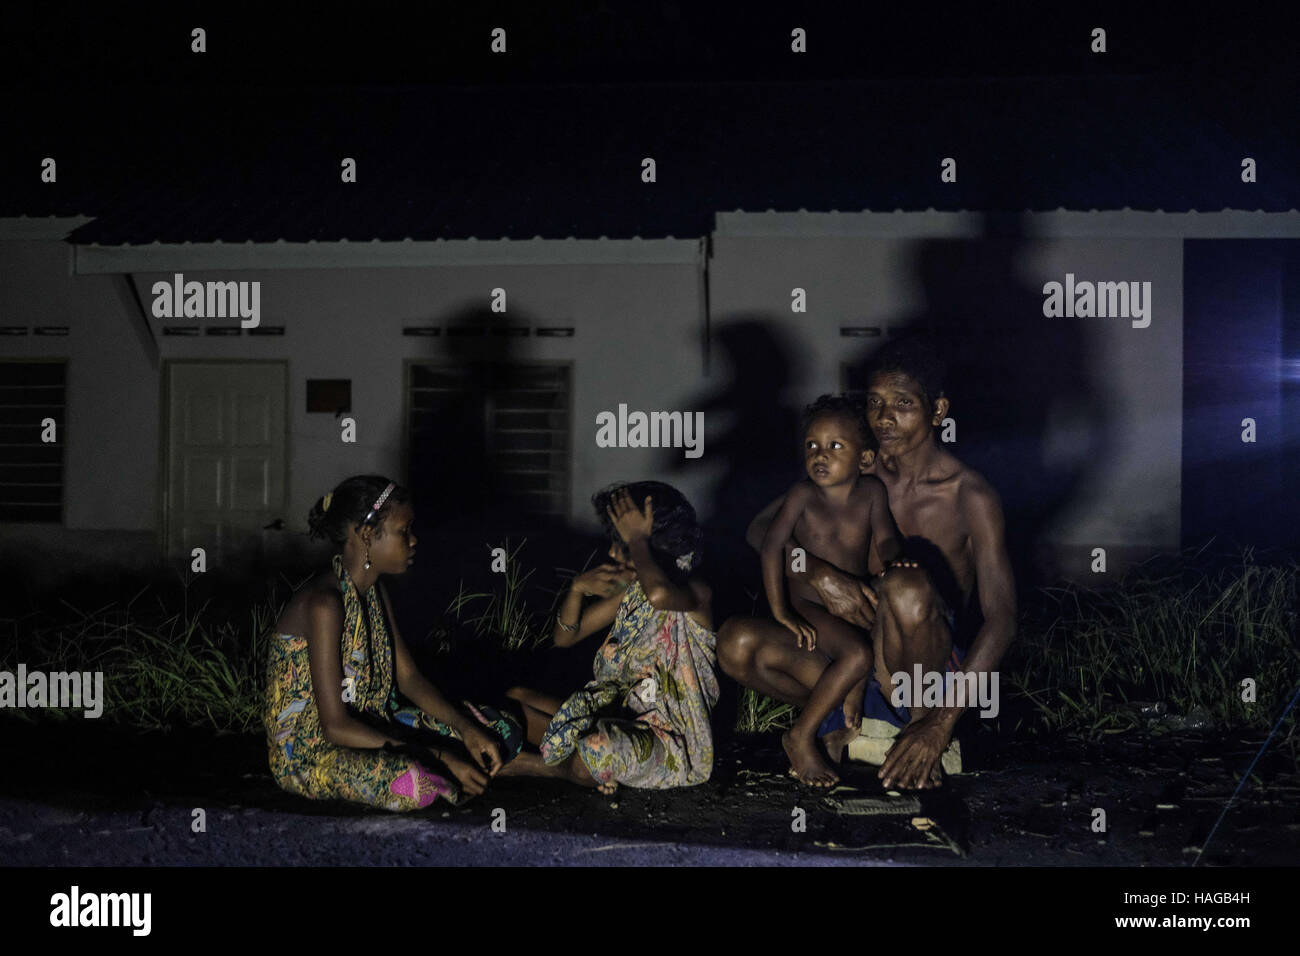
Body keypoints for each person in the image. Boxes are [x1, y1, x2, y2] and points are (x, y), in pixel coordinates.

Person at [720, 336, 1017, 790]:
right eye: (875, 402)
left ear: (937, 412)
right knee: (735, 643)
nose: (884, 417)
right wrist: (818, 572)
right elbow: (761, 530)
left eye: (902, 403)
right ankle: (843, 721)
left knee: (905, 586)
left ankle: (913, 731)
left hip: (922, 674)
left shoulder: (969, 494)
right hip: (853, 658)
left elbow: (1002, 619)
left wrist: (940, 723)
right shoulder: (856, 470)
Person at [264, 475, 524, 811]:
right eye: (404, 531)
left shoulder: (373, 592)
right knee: (416, 780)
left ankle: (461, 766)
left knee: (499, 730)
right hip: (313, 753)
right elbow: (334, 726)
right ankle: (446, 772)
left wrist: (465, 728)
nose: (414, 540)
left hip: (374, 725)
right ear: (368, 535)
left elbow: (409, 678)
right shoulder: (325, 604)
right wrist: (438, 754)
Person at [504, 482, 719, 794]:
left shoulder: (695, 591)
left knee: (596, 747)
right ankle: (595, 764)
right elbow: (565, 638)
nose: (613, 552)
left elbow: (659, 595)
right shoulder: (633, 593)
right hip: (616, 715)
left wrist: (636, 539)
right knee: (516, 697)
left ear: (651, 543)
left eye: (622, 544)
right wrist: (577, 590)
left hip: (669, 742)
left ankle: (537, 766)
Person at [758, 394, 902, 786]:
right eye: (812, 446)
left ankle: (839, 732)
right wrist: (781, 611)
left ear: (865, 458)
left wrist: (896, 563)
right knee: (855, 654)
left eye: (835, 446)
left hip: (849, 603)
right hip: (810, 604)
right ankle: (799, 736)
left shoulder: (872, 493)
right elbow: (771, 545)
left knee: (881, 629)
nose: (820, 455)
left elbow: (887, 537)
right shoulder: (802, 495)